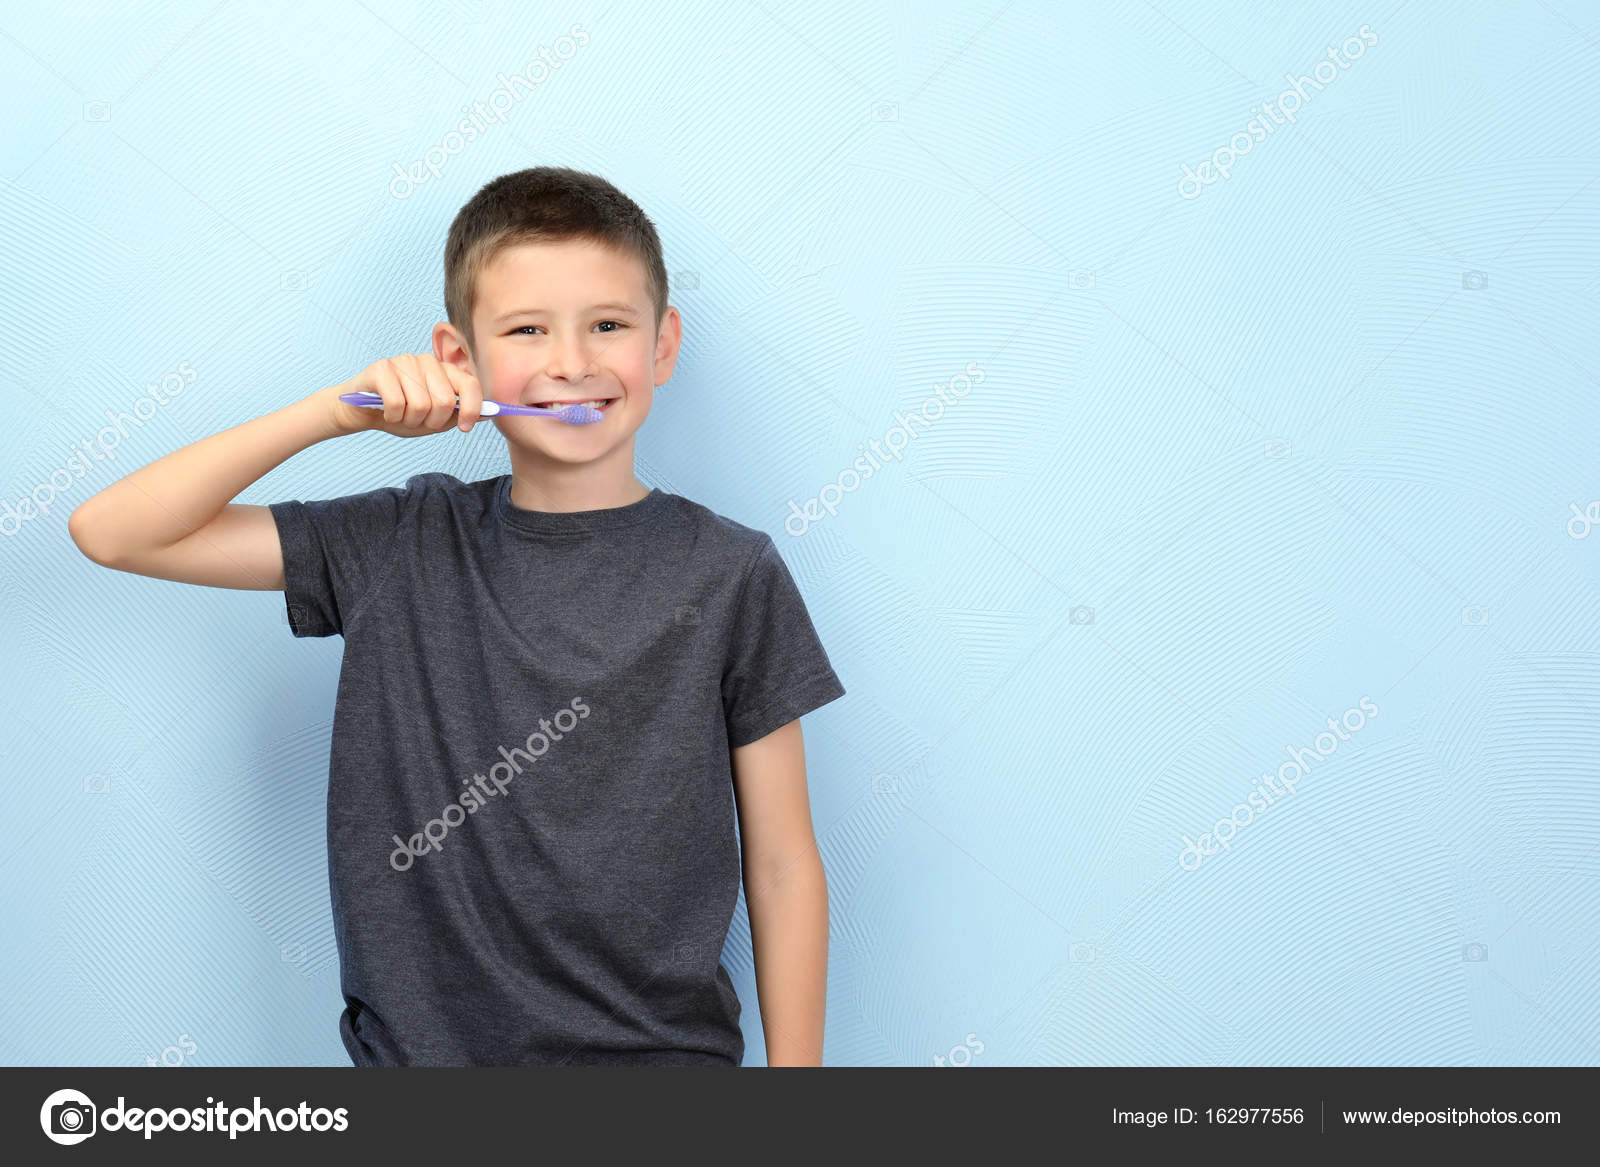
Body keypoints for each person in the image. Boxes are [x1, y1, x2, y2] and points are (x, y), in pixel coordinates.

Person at [67, 166, 846, 1068]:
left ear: (662, 346)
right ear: (458, 359)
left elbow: (785, 863)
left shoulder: (731, 570)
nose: (572, 362)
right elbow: (113, 531)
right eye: (526, 329)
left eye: (608, 325)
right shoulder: (397, 540)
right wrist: (334, 414)